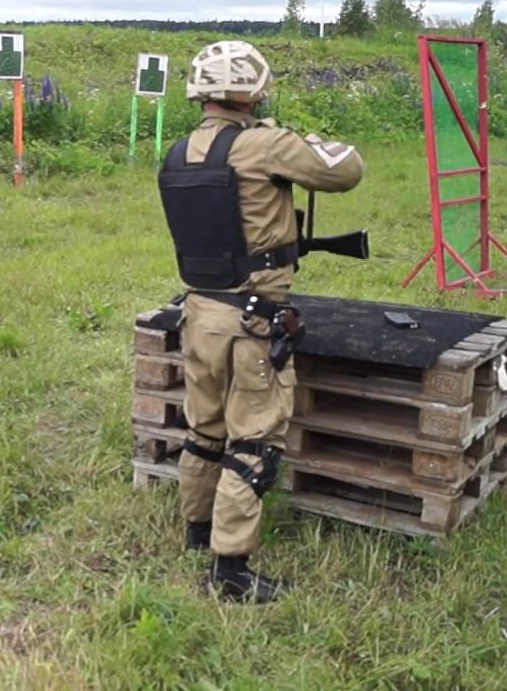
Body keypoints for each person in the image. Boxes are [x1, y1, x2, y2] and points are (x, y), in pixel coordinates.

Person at [157, 41, 364, 603]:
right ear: (251, 89)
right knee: (255, 442)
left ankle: (198, 531)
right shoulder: (262, 145)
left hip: (200, 313)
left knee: (205, 433)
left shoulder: (178, 152)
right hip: (251, 319)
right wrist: (304, 137)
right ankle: (231, 569)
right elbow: (345, 170)